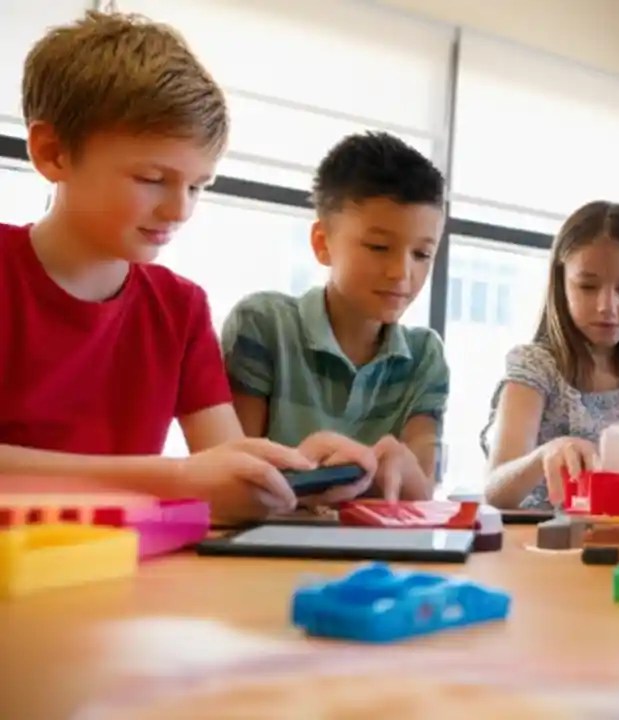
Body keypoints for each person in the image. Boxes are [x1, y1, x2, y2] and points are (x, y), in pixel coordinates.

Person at [0, 11, 374, 522]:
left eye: (198, 186)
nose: (180, 210)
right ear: (53, 153)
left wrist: (292, 473)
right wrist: (174, 478)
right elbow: (189, 476)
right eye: (153, 178)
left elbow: (223, 462)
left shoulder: (179, 306)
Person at [222, 132, 448, 501]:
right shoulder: (263, 325)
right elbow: (233, 480)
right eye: (378, 247)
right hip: (271, 548)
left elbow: (422, 495)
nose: (401, 273)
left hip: (377, 549)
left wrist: (404, 464)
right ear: (322, 243)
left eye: (422, 254)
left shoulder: (425, 355)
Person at [482, 201, 619, 510]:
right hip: (538, 544)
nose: (606, 306)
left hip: (618, 538)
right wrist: (546, 453)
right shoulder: (536, 367)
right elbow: (495, 488)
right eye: (587, 286)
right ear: (561, 283)